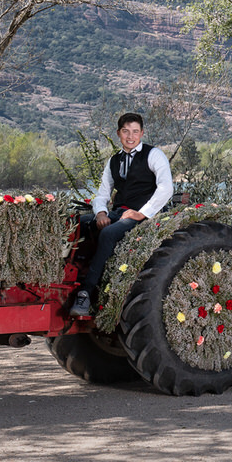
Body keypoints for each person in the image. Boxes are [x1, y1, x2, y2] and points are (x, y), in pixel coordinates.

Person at [69, 112, 174, 318]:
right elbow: (102, 194)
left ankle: (86, 292)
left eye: (135, 132)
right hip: (119, 212)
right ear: (118, 133)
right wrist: (100, 213)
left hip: (145, 216)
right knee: (77, 224)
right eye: (126, 131)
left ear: (142, 133)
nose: (130, 136)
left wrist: (141, 213)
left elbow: (166, 188)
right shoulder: (114, 161)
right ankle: (70, 280)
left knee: (108, 234)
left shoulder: (154, 155)